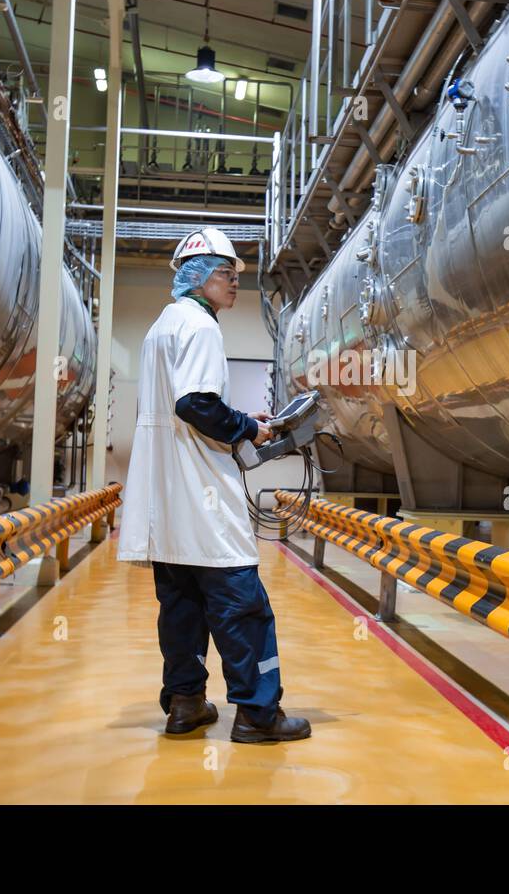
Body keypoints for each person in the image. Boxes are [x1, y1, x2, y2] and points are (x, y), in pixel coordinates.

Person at [117, 227, 311, 744]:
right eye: (227, 274)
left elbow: (185, 405)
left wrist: (239, 417)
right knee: (243, 608)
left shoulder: (163, 326)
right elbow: (195, 404)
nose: (234, 284)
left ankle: (185, 704)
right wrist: (250, 427)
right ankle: (257, 715)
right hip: (202, 497)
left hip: (167, 499)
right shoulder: (201, 327)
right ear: (200, 276)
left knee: (181, 608)